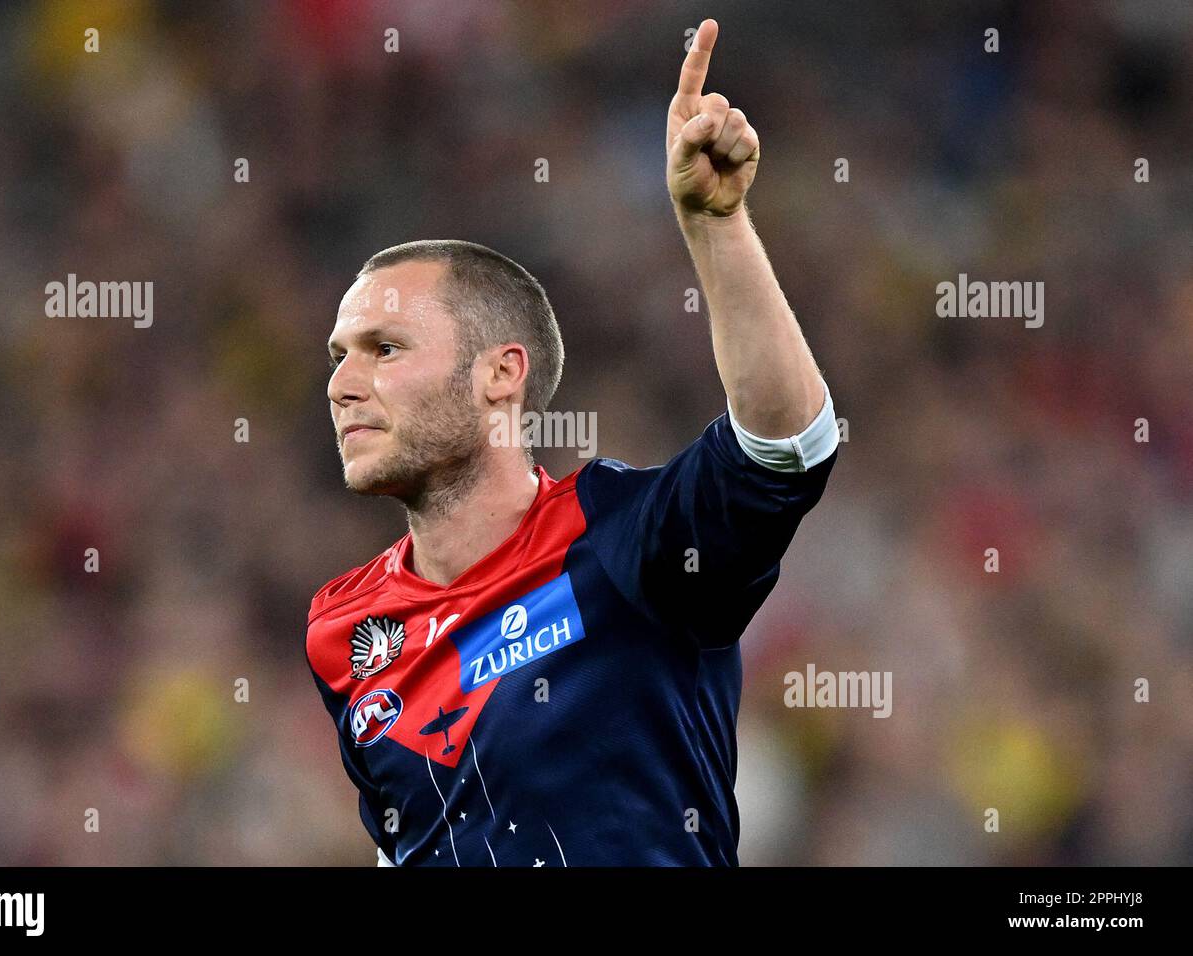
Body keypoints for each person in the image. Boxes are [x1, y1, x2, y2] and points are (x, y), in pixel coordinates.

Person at [305, 18, 838, 866]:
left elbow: (787, 447)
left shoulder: (624, 540)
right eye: (339, 356)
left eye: (386, 349)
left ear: (499, 376)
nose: (341, 383)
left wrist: (718, 226)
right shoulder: (344, 631)